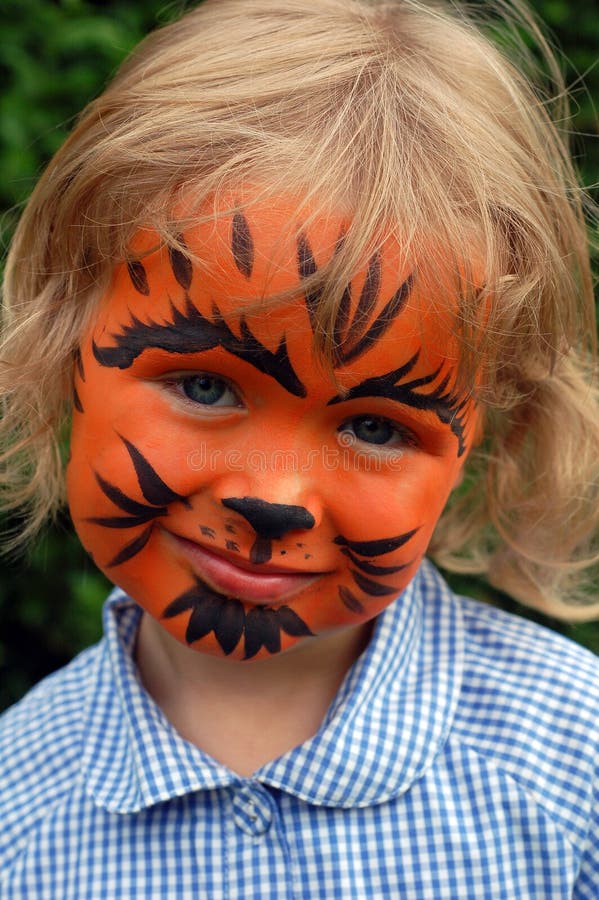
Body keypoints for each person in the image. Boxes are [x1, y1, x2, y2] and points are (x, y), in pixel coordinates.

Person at [1, 0, 598, 895]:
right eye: (204, 386)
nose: (273, 495)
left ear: (490, 437)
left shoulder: (573, 766)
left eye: (374, 427)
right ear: (62, 342)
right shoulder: (18, 814)